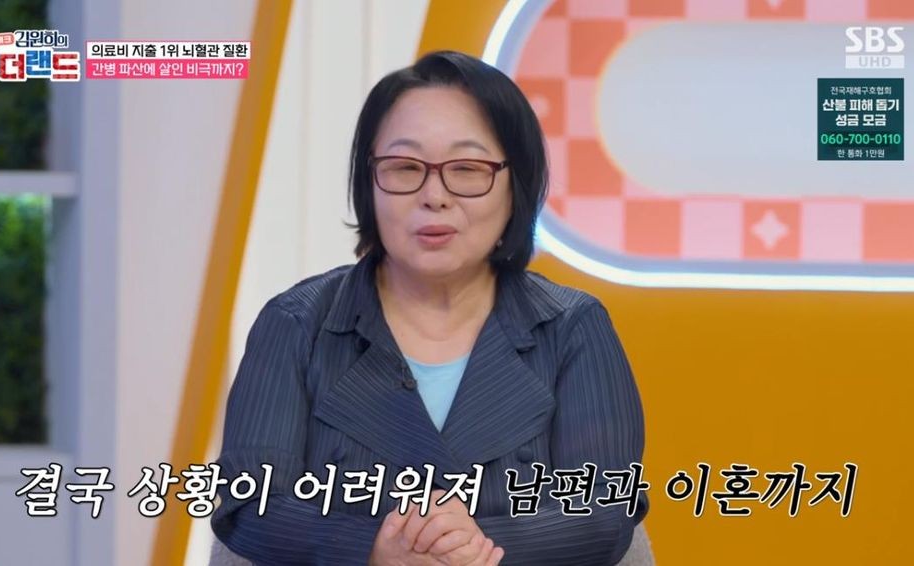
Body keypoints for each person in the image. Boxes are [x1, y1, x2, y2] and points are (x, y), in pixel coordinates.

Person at [210, 50, 648, 565]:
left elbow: (605, 508)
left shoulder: (571, 327)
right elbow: (250, 503)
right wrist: (374, 549)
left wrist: (472, 545)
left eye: (467, 169)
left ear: (516, 185)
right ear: (368, 183)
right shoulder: (297, 323)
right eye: (404, 168)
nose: (434, 196)